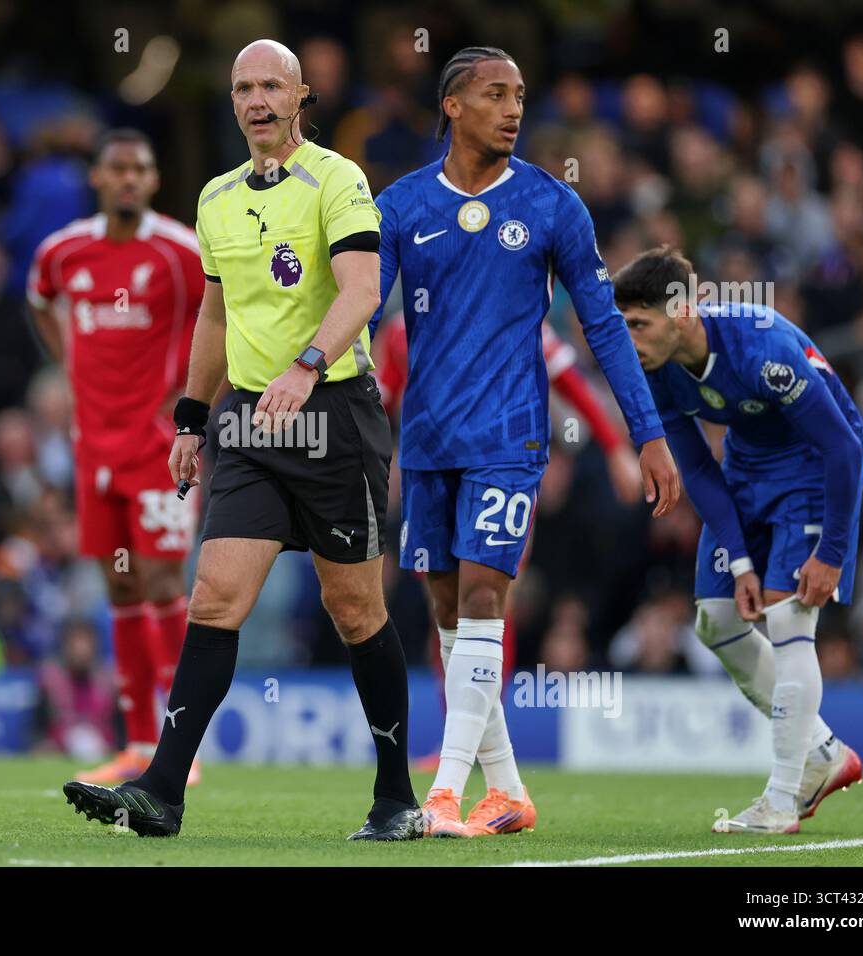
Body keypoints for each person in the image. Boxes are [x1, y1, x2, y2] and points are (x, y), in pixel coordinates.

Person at [63, 38, 422, 839]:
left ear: (301, 97)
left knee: (356, 609)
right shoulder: (218, 197)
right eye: (243, 88)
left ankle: (396, 796)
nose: (257, 100)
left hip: (332, 416)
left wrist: (306, 365)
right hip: (253, 424)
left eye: (272, 85)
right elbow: (217, 314)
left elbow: (364, 290)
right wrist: (192, 416)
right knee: (214, 597)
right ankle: (162, 791)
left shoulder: (339, 179)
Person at [371, 46, 679, 837]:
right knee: (445, 610)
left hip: (510, 437)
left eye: (519, 95)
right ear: (451, 106)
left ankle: (441, 793)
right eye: (495, 94)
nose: (513, 109)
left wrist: (643, 434)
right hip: (429, 440)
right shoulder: (403, 206)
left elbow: (602, 326)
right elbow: (365, 316)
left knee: (482, 600)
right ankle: (506, 789)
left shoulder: (551, 205)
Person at [614, 245, 863, 834]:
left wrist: (831, 551)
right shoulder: (656, 371)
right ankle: (824, 752)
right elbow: (698, 468)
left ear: (680, 313)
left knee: (787, 621)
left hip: (811, 465)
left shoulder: (762, 348)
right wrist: (742, 559)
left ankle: (782, 800)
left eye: (638, 325)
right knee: (716, 620)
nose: (628, 340)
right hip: (748, 470)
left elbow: (844, 447)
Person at [28, 129, 204, 786]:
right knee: (121, 587)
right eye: (118, 169)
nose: (129, 179)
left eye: (141, 169)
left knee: (163, 583)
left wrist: (191, 397)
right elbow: (38, 297)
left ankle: (182, 745)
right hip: (92, 446)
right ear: (97, 178)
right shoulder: (64, 251)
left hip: (160, 446)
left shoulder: (180, 253)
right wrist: (70, 361)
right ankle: (136, 743)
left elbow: (218, 316)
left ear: (154, 180)